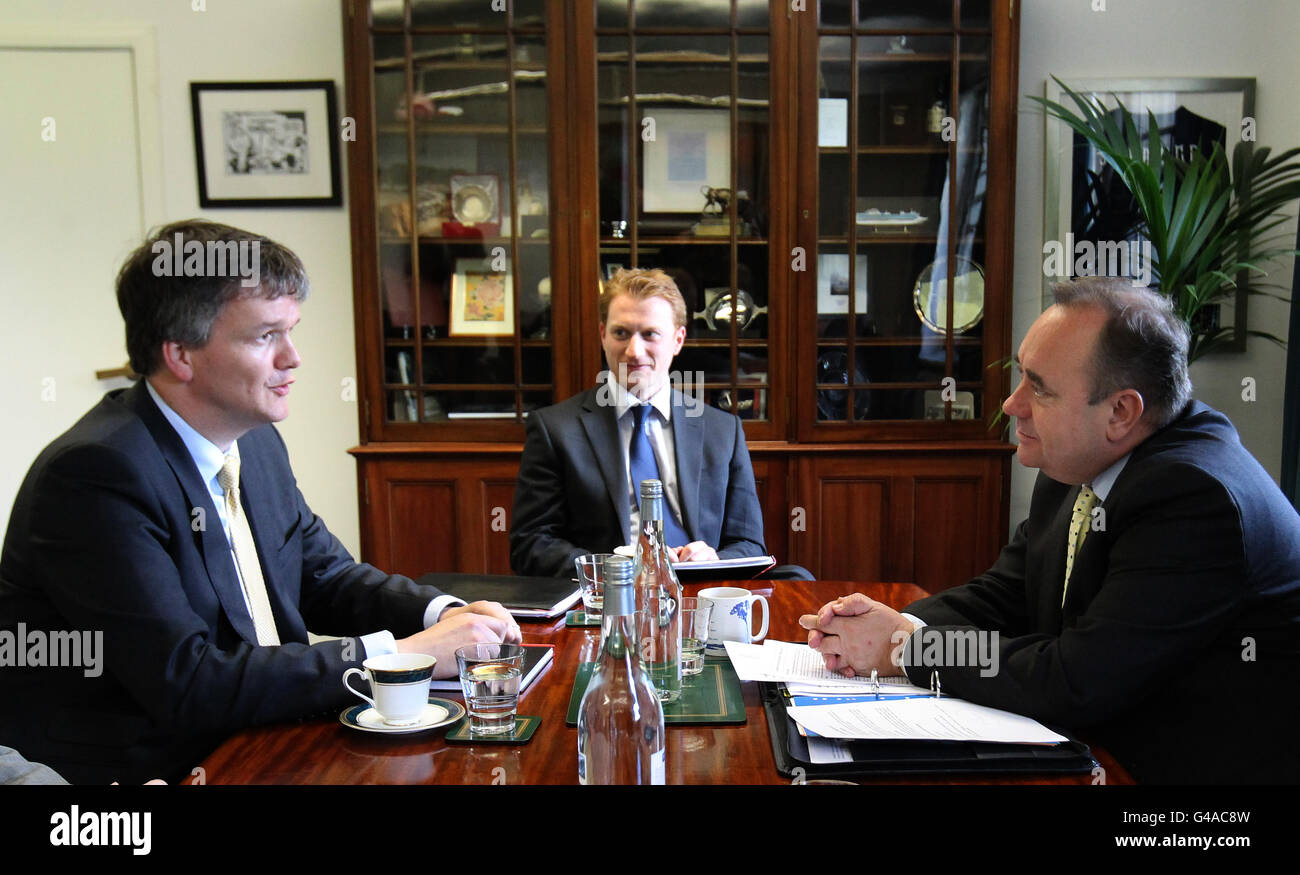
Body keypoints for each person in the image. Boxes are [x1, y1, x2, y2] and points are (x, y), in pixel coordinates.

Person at [0, 220, 520, 784]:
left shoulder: (255, 439)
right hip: (145, 774)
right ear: (181, 354)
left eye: (291, 331)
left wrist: (442, 614)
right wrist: (400, 657)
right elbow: (189, 681)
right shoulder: (95, 475)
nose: (293, 358)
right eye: (265, 336)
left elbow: (324, 578)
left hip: (259, 738)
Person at [801, 277, 1300, 784]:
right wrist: (871, 630)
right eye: (1022, 376)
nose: (1011, 405)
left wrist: (907, 648)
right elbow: (1004, 595)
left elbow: (1076, 677)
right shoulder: (1083, 458)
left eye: (1039, 388)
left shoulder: (1194, 498)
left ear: (1121, 412)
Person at [512, 268, 803, 579]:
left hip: (699, 592)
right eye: (620, 333)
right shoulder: (556, 429)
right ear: (602, 334)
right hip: (612, 599)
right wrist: (619, 570)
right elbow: (530, 545)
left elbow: (749, 544)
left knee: (799, 576)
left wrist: (713, 559)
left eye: (649, 334)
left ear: (678, 339)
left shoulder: (722, 431)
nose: (634, 351)